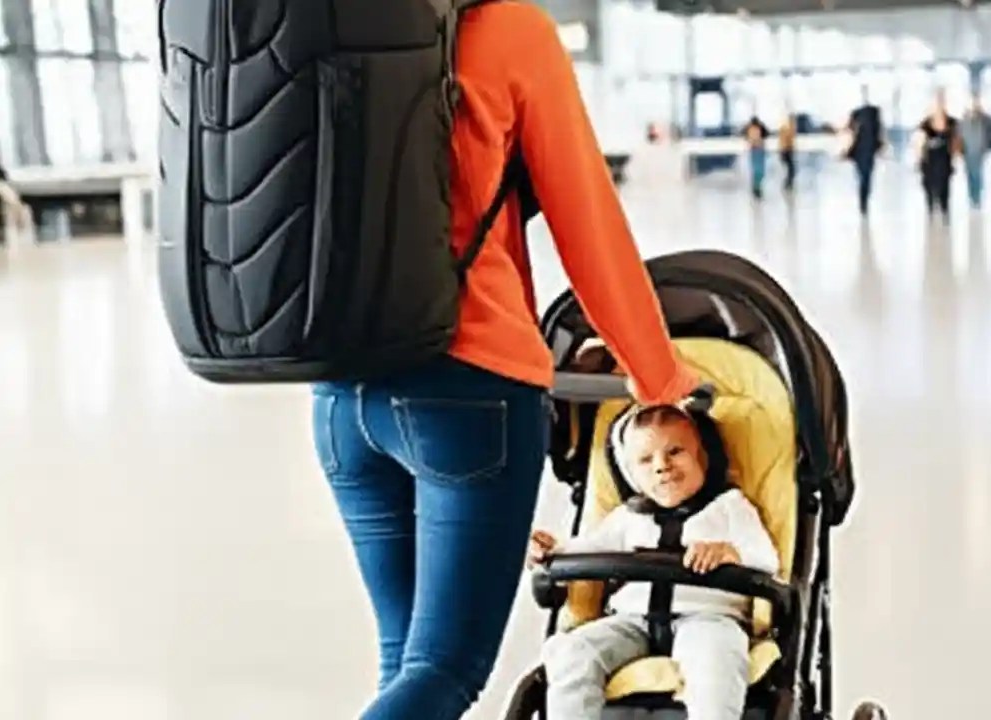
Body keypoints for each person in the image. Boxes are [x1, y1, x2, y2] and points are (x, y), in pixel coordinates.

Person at [310, 4, 701, 719]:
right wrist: (659, 375)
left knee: (406, 666)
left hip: (341, 397)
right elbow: (587, 219)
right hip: (469, 392)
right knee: (444, 670)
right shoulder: (511, 31)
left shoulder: (326, 20)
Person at [530, 404, 780, 720]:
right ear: (629, 472)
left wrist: (731, 553)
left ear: (703, 455)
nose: (661, 466)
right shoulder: (627, 517)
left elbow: (768, 561)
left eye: (675, 451)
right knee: (574, 652)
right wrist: (553, 549)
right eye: (646, 460)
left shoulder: (729, 507)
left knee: (717, 659)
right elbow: (586, 551)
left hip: (707, 618)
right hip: (632, 622)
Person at [915, 91, 961, 220]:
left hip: (945, 161)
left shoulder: (952, 123)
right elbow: (919, 142)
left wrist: (955, 156)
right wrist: (918, 158)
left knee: (944, 188)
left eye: (941, 103)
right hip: (929, 162)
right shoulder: (925, 124)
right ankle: (931, 210)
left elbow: (956, 142)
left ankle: (944, 211)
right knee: (929, 187)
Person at [847, 89, 884, 216]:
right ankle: (863, 201)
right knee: (865, 176)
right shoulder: (869, 114)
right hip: (862, 150)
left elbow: (878, 131)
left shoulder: (870, 114)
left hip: (865, 150)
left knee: (865, 176)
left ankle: (863, 201)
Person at [958, 96, 991, 210]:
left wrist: (987, 147)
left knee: (977, 173)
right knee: (969, 174)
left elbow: (990, 132)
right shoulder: (964, 119)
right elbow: (959, 135)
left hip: (979, 151)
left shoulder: (984, 119)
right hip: (967, 151)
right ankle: (972, 196)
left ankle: (977, 197)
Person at [744, 116, 770, 199]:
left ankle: (757, 188)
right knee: (757, 170)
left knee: (760, 171)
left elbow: (766, 133)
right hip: (755, 149)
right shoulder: (749, 128)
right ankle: (756, 189)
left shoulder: (758, 128)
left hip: (759, 149)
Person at [778, 114, 798, 191]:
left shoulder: (789, 129)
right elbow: (785, 142)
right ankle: (787, 185)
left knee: (791, 170)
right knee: (791, 169)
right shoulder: (786, 129)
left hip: (787, 151)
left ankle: (788, 184)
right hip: (786, 151)